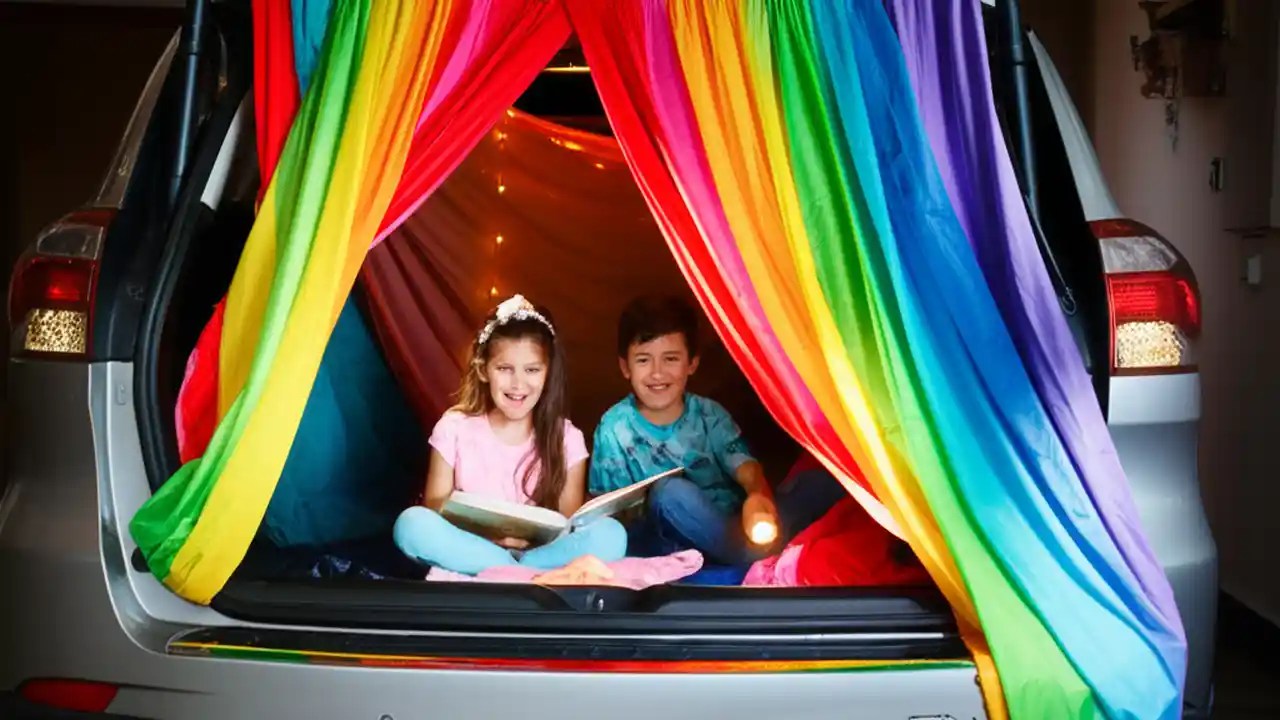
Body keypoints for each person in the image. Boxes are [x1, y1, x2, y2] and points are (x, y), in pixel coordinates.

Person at [590, 295, 845, 567]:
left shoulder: (708, 414)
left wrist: (757, 496)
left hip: (732, 523)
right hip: (665, 538)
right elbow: (607, 512)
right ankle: (749, 556)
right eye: (643, 360)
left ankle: (754, 546)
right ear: (624, 367)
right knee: (671, 493)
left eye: (671, 359)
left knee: (824, 482)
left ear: (692, 363)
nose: (657, 373)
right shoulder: (614, 428)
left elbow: (745, 467)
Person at [393, 294, 626, 575]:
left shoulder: (567, 437)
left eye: (531, 370)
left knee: (612, 535)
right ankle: (515, 573)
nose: (518, 384)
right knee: (411, 524)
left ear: (547, 373)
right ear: (483, 370)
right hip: (474, 547)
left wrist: (531, 539)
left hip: (541, 553)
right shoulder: (454, 426)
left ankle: (516, 571)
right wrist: (487, 534)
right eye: (504, 369)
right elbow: (434, 508)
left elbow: (569, 521)